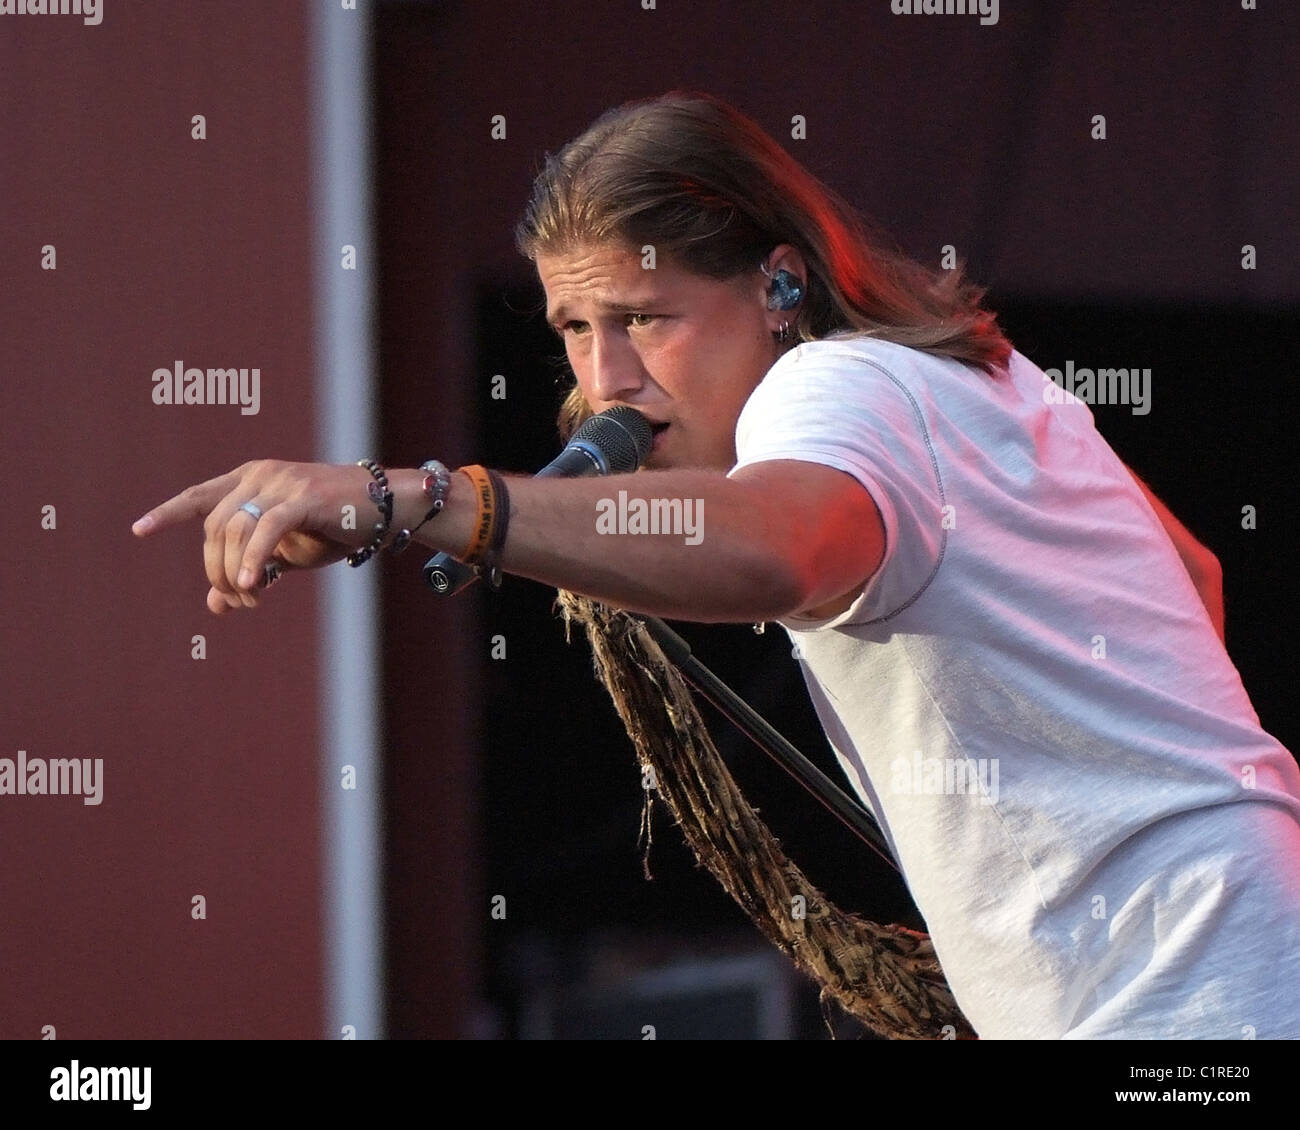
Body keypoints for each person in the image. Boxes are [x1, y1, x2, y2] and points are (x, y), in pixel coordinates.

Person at [132, 90, 1300, 1040]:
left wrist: (426, 498)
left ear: (779, 286)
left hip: (1188, 981)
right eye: (573, 330)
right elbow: (1189, 578)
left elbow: (771, 545)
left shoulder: (834, 385)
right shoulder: (971, 381)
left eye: (643, 318)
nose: (607, 379)